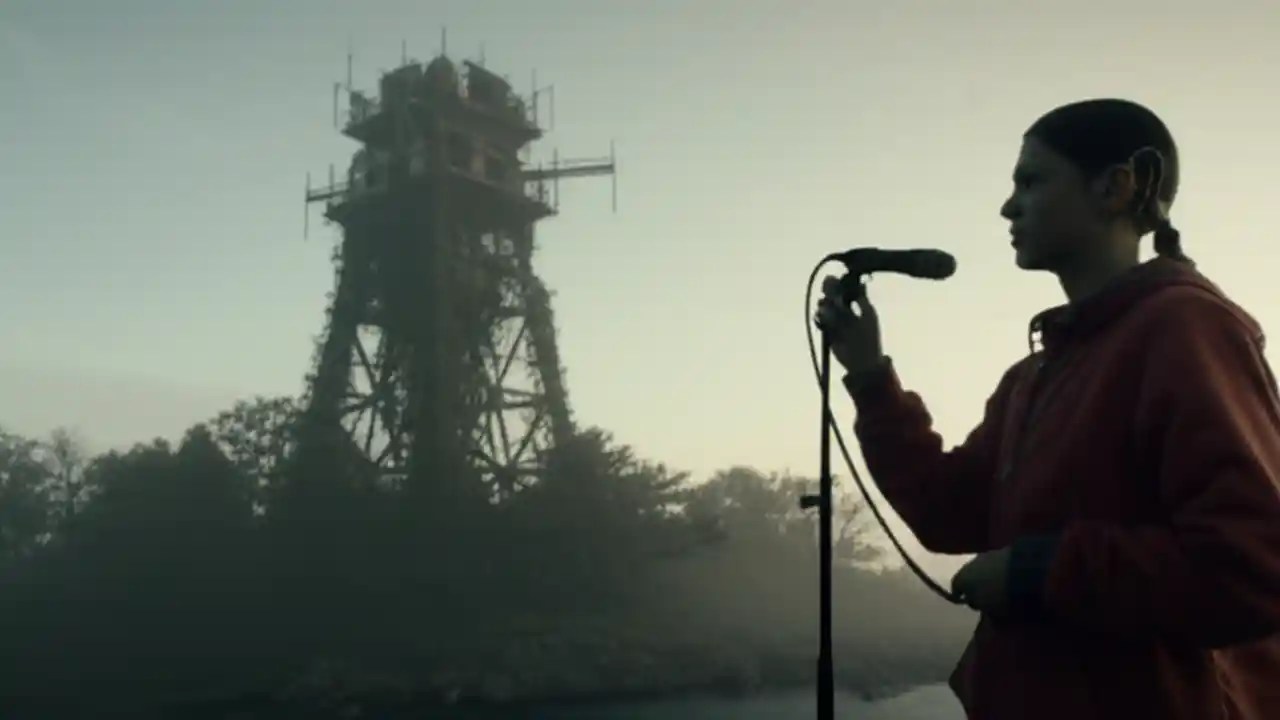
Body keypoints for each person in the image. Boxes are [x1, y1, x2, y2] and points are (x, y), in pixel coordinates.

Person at [815, 98, 1280, 719]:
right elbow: (947, 513)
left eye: (1031, 181)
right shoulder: (1032, 377)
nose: (1008, 207)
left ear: (1115, 187)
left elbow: (1253, 567)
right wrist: (870, 376)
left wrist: (1035, 571)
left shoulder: (1186, 328)